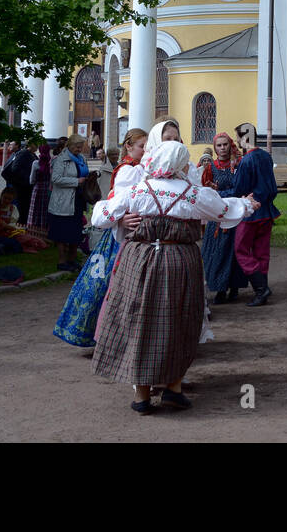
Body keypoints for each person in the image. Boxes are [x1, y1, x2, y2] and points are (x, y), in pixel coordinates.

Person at [91, 141, 256, 414]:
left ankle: (142, 396)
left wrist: (122, 219)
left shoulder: (137, 190)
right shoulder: (192, 194)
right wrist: (246, 204)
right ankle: (173, 389)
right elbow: (223, 210)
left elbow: (101, 215)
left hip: (138, 260)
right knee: (180, 320)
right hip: (178, 260)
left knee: (138, 319)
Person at [54, 128, 146, 347]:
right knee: (105, 286)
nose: (145, 150)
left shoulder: (141, 168)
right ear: (129, 147)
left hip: (135, 236)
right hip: (118, 238)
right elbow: (113, 203)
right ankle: (102, 335)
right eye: (142, 146)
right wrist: (119, 221)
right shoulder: (127, 170)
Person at [230, 123, 279, 307]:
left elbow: (239, 189)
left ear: (245, 138)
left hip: (250, 212)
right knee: (261, 252)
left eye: (238, 137)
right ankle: (262, 288)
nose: (237, 141)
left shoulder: (246, 160)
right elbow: (272, 187)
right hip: (266, 211)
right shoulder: (266, 156)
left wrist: (221, 193)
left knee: (241, 250)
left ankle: (260, 289)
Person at [201, 131, 248, 304]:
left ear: (230, 145)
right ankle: (219, 288)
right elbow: (205, 190)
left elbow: (239, 189)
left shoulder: (239, 164)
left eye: (225, 144)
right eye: (219, 145)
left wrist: (219, 193)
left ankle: (234, 287)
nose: (222, 148)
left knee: (234, 250)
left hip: (235, 213)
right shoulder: (211, 167)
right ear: (215, 147)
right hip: (218, 215)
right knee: (217, 251)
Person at [48, 134, 90, 271]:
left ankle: (72, 260)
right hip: (63, 202)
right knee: (62, 232)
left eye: (81, 146)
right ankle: (62, 262)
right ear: (70, 146)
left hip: (78, 201)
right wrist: (76, 182)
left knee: (75, 232)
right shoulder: (61, 159)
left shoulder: (82, 158)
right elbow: (55, 179)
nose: (79, 149)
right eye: (77, 146)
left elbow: (84, 173)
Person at [2, 140, 37, 226]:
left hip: (24, 186)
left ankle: (21, 224)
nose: (37, 147)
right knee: (21, 207)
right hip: (21, 187)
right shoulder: (24, 153)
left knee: (23, 207)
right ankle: (19, 224)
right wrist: (27, 179)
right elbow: (15, 169)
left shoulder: (30, 154)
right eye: (36, 145)